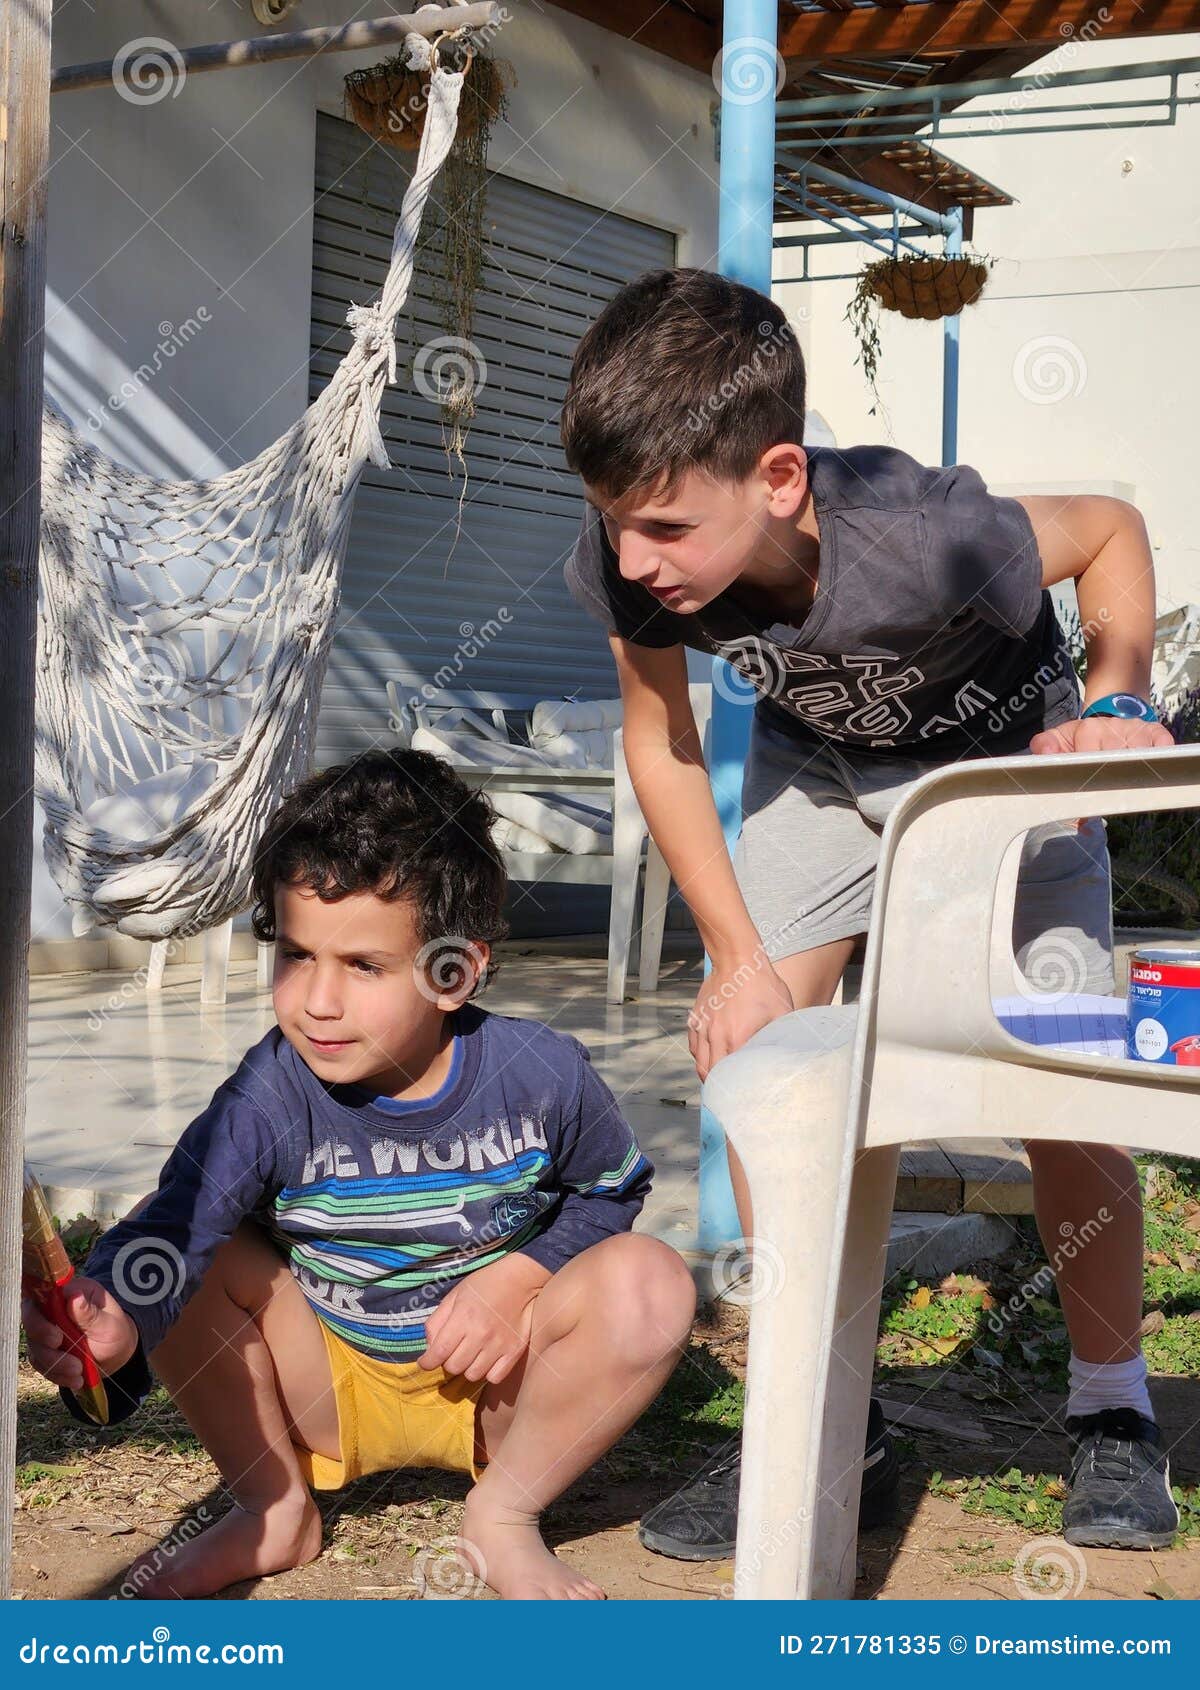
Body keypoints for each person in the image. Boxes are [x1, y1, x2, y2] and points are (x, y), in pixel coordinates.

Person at [560, 265, 1178, 1561]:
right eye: (616, 521)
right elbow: (662, 740)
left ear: (780, 477)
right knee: (757, 1050)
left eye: (665, 526)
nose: (630, 557)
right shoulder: (634, 556)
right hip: (824, 779)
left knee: (1058, 1079)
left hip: (1001, 774)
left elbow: (1111, 529)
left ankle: (1113, 1411)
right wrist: (734, 957)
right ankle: (825, 1408)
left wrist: (1117, 701)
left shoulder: (926, 530)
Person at [21, 748, 696, 1600]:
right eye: (298, 955)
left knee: (651, 1280)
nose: (317, 1001)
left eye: (363, 966)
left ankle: (505, 1515)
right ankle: (272, 1507)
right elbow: (178, 1221)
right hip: (327, 1389)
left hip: (494, 1392)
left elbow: (612, 1194)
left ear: (456, 970)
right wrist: (116, 1313)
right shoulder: (269, 1093)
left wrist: (511, 1282)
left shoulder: (542, 1073)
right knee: (201, 1250)